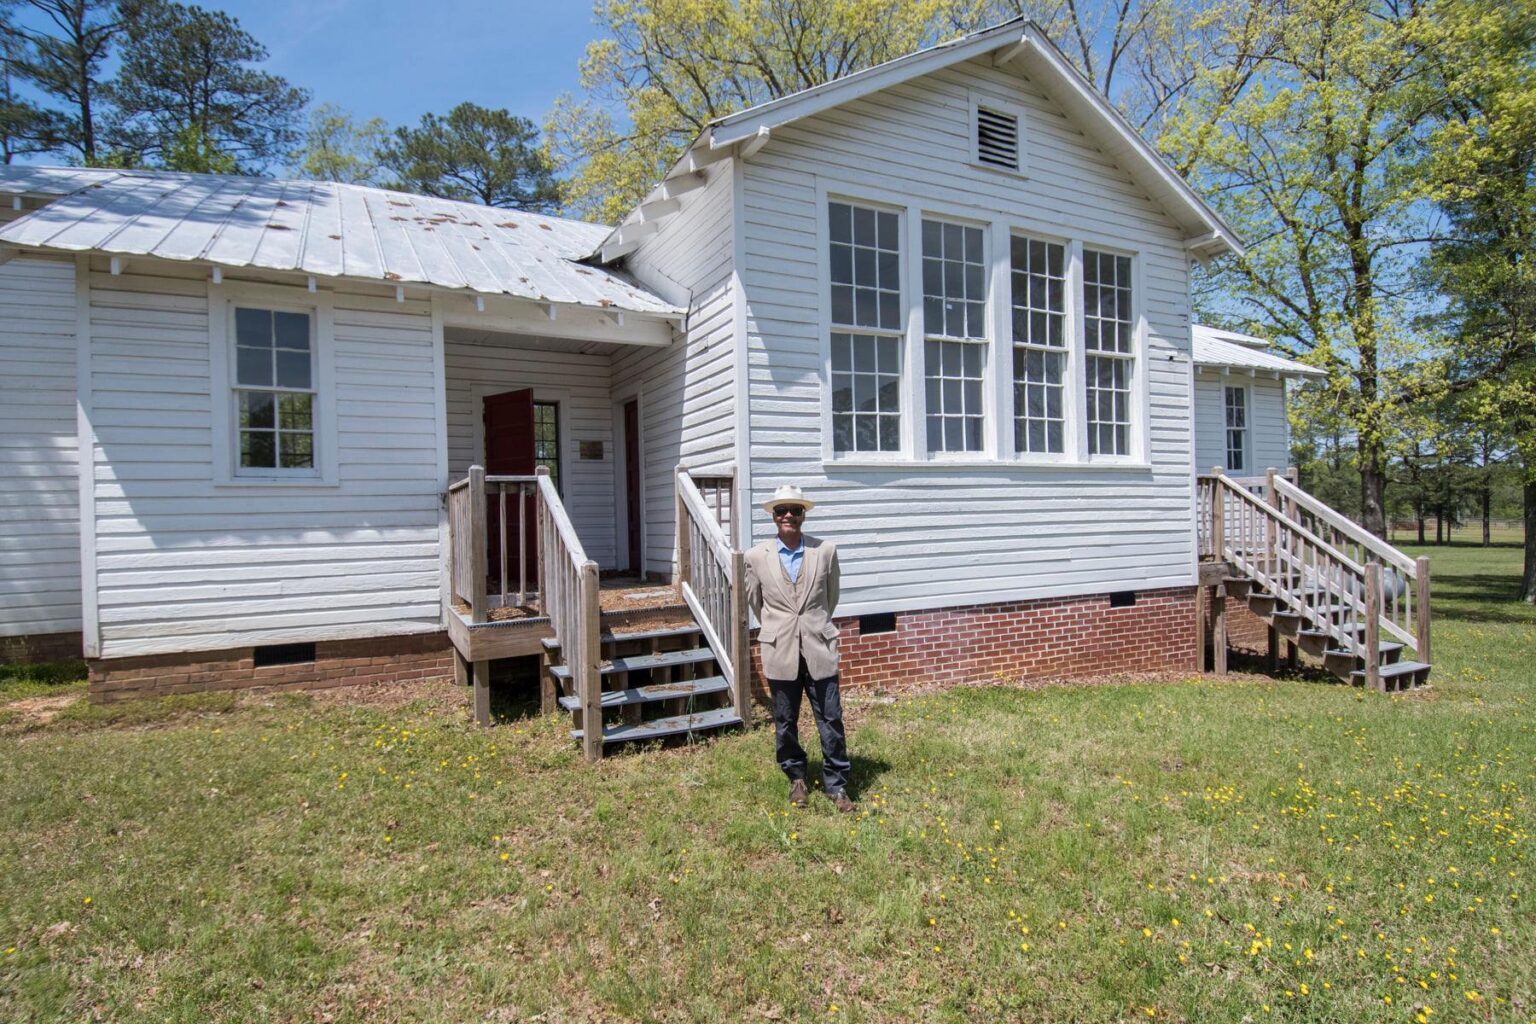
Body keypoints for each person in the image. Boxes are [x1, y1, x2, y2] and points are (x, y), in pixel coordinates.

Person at [744, 484, 855, 813]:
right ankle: (796, 779)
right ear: (773, 516)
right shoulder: (755, 557)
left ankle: (837, 785)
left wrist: (813, 626)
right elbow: (756, 602)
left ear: (804, 514)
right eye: (782, 510)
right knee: (785, 720)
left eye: (795, 509)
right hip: (780, 649)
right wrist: (781, 627)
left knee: (831, 718)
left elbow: (831, 597)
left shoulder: (825, 551)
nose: (788, 515)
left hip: (818, 647)